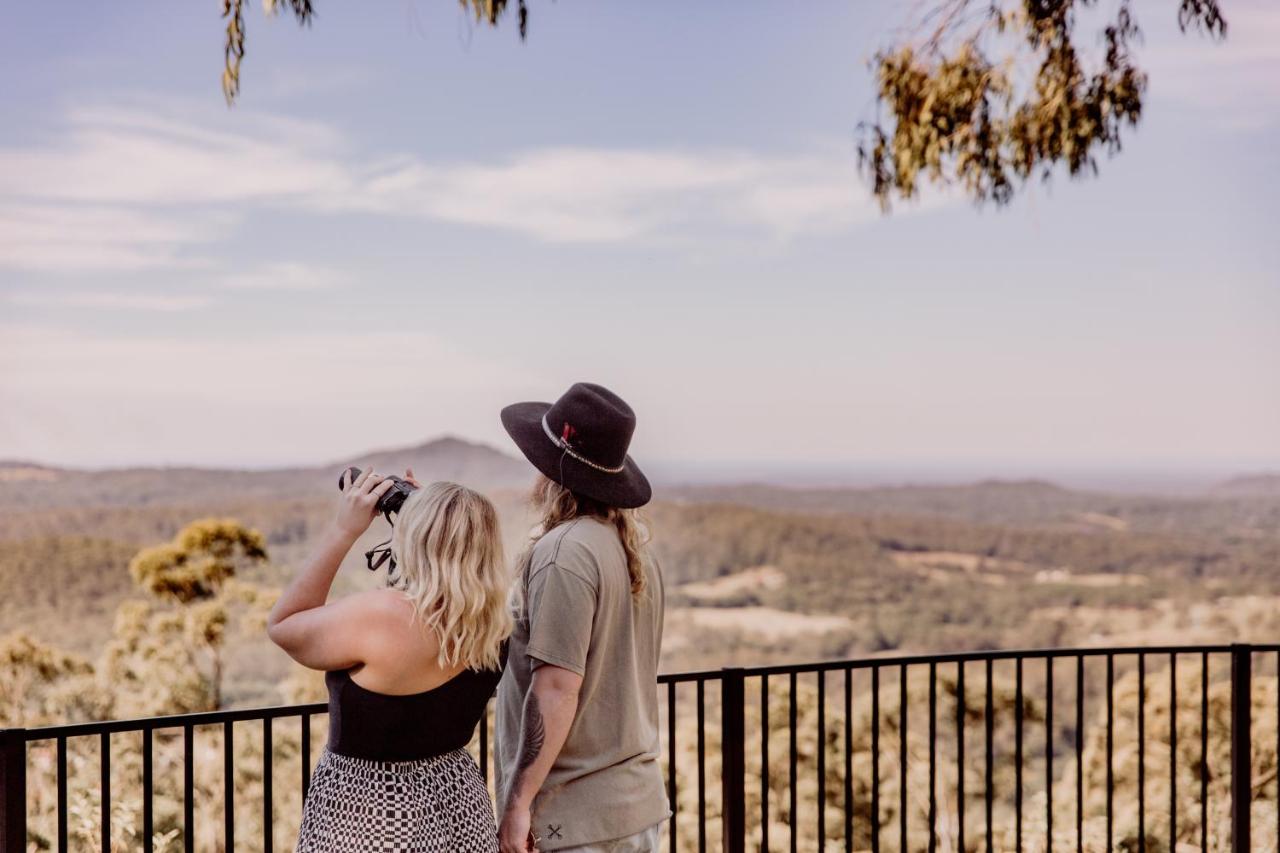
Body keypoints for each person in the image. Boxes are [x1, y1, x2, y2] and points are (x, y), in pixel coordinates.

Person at [268, 467, 512, 853]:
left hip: (368, 811)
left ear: (418, 537)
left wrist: (344, 529)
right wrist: (430, 511)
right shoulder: (495, 624)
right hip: (458, 802)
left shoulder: (383, 616)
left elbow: (283, 625)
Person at [495, 382, 669, 853]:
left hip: (572, 820)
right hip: (635, 806)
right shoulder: (637, 553)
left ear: (551, 474)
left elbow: (555, 688)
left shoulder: (562, 553)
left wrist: (517, 805)